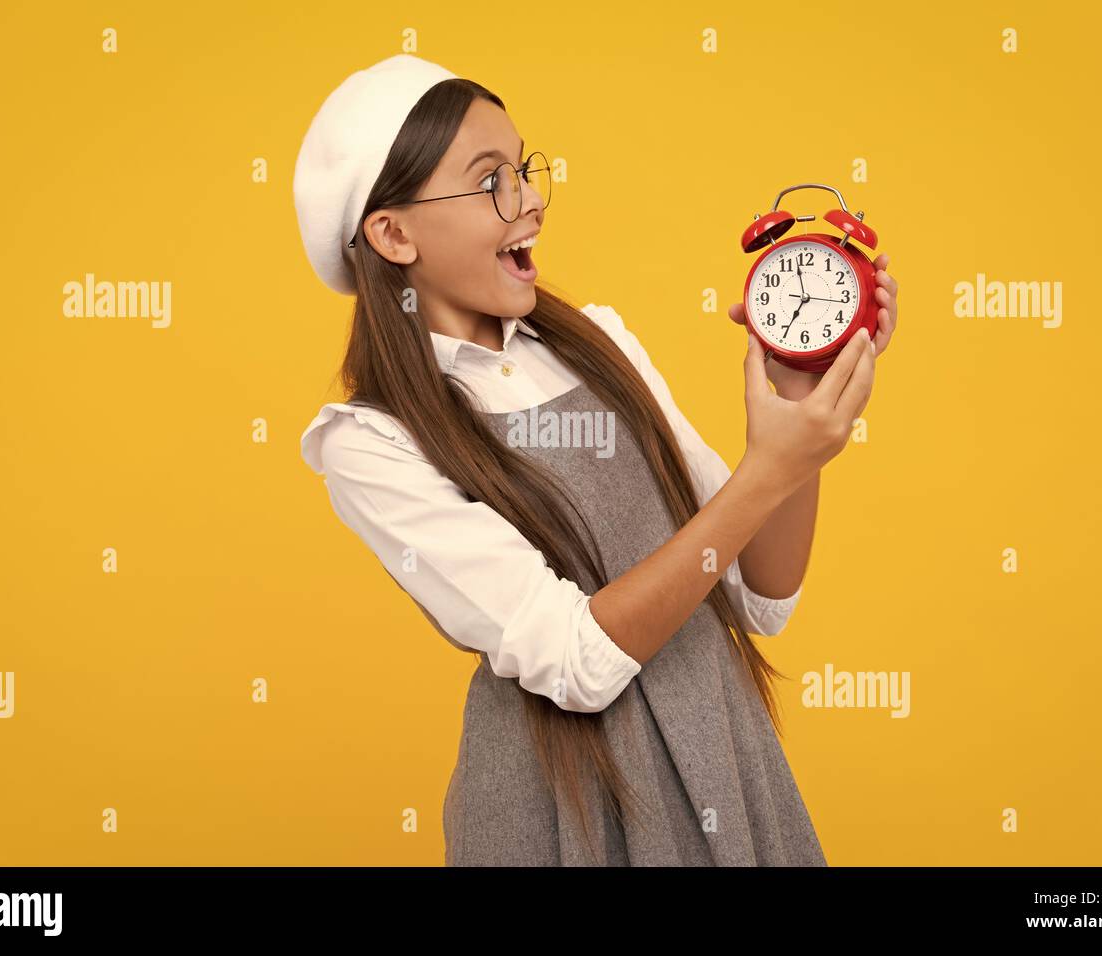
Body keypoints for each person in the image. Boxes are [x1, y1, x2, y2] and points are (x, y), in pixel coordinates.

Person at [293, 53, 899, 865]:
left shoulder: (599, 343)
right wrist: (772, 469)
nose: (531, 197)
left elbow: (761, 594)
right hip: (566, 809)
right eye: (490, 181)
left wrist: (798, 391)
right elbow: (575, 661)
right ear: (394, 233)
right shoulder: (370, 442)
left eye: (524, 168)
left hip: (722, 754)